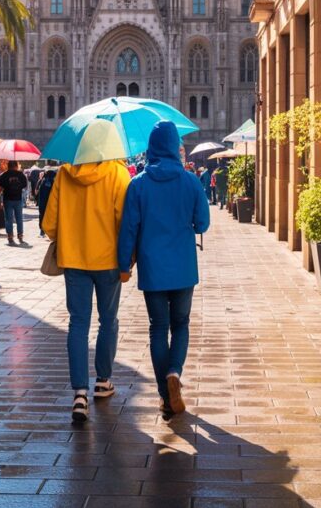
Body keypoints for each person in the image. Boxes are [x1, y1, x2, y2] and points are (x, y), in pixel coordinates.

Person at [117, 121, 210, 420]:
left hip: (152, 268)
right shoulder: (191, 182)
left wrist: (123, 265)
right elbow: (203, 223)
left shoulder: (138, 184)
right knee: (180, 324)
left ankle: (164, 395)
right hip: (183, 267)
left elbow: (128, 229)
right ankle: (174, 372)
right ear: (175, 147)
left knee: (158, 327)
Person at [42, 154, 131, 424]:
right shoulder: (118, 173)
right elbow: (124, 221)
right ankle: (103, 381)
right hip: (108, 260)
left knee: (78, 324)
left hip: (73, 260)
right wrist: (127, 256)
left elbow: (49, 223)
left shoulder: (65, 173)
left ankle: (79, 394)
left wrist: (69, 236)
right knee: (108, 320)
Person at [0, 160, 28, 245]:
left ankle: (10, 236)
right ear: (16, 166)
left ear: (8, 166)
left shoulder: (3, 175)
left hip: (7, 200)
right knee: (19, 218)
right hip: (18, 200)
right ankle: (20, 235)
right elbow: (25, 186)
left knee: (8, 219)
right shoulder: (21, 175)